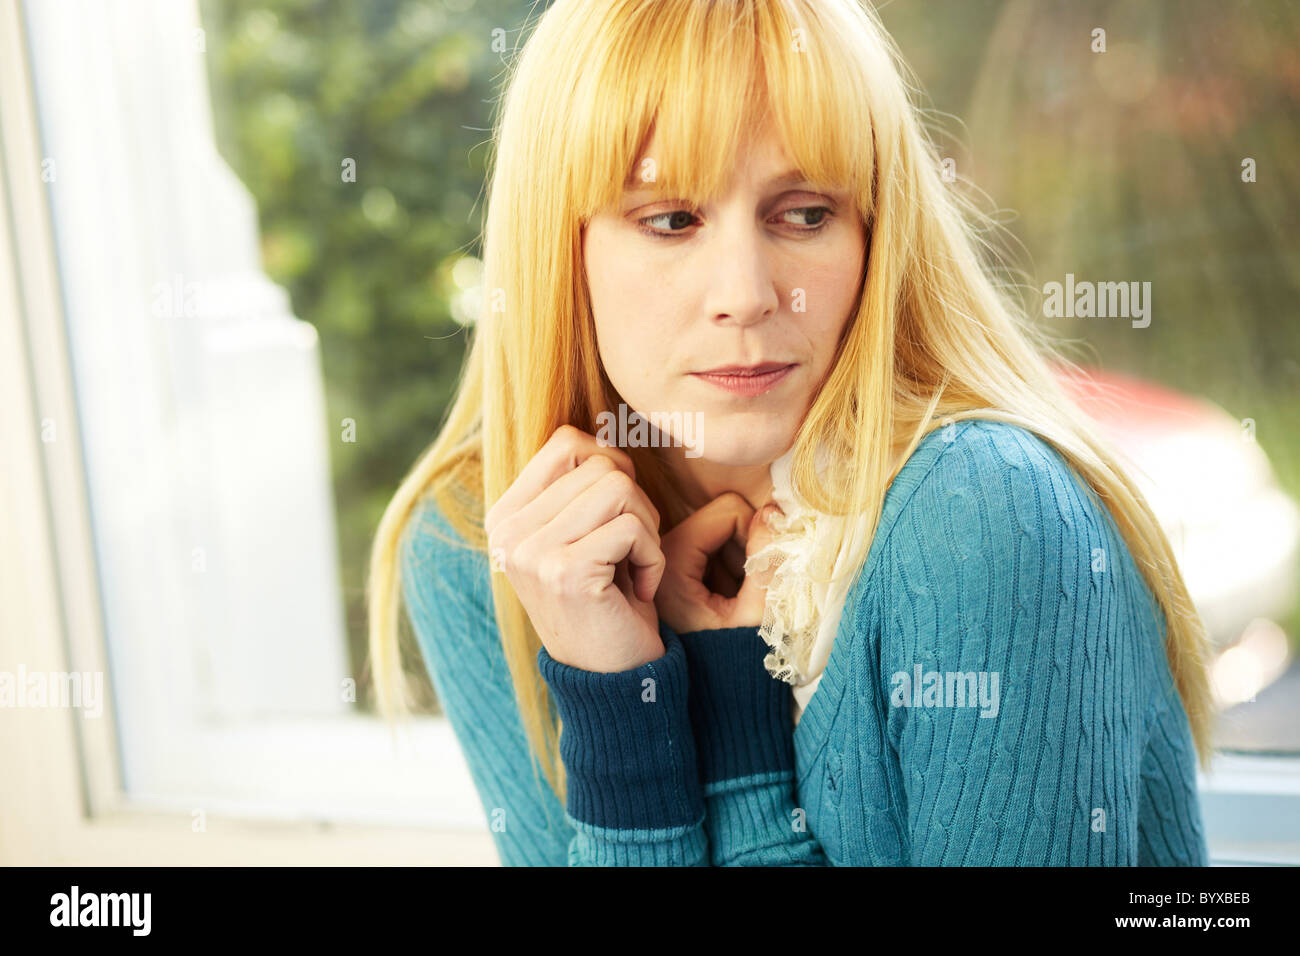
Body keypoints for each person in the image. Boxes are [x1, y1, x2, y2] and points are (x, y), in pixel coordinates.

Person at [367, 0, 1214, 866]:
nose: (747, 292)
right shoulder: (479, 546)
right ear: (561, 245)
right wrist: (612, 702)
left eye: (804, 213)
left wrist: (717, 740)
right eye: (671, 219)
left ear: (875, 235)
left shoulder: (984, 514)